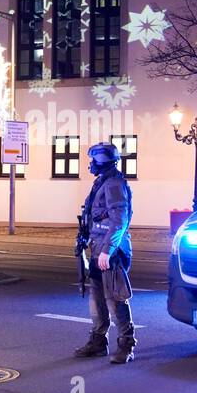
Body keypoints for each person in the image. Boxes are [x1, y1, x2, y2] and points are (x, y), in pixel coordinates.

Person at [74, 142, 136, 364]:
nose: (90, 164)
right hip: (98, 248)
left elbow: (119, 221)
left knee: (115, 299)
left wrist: (108, 251)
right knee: (97, 298)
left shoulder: (113, 185)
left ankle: (126, 344)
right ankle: (98, 342)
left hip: (110, 251)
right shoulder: (102, 182)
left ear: (102, 161)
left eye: (93, 160)